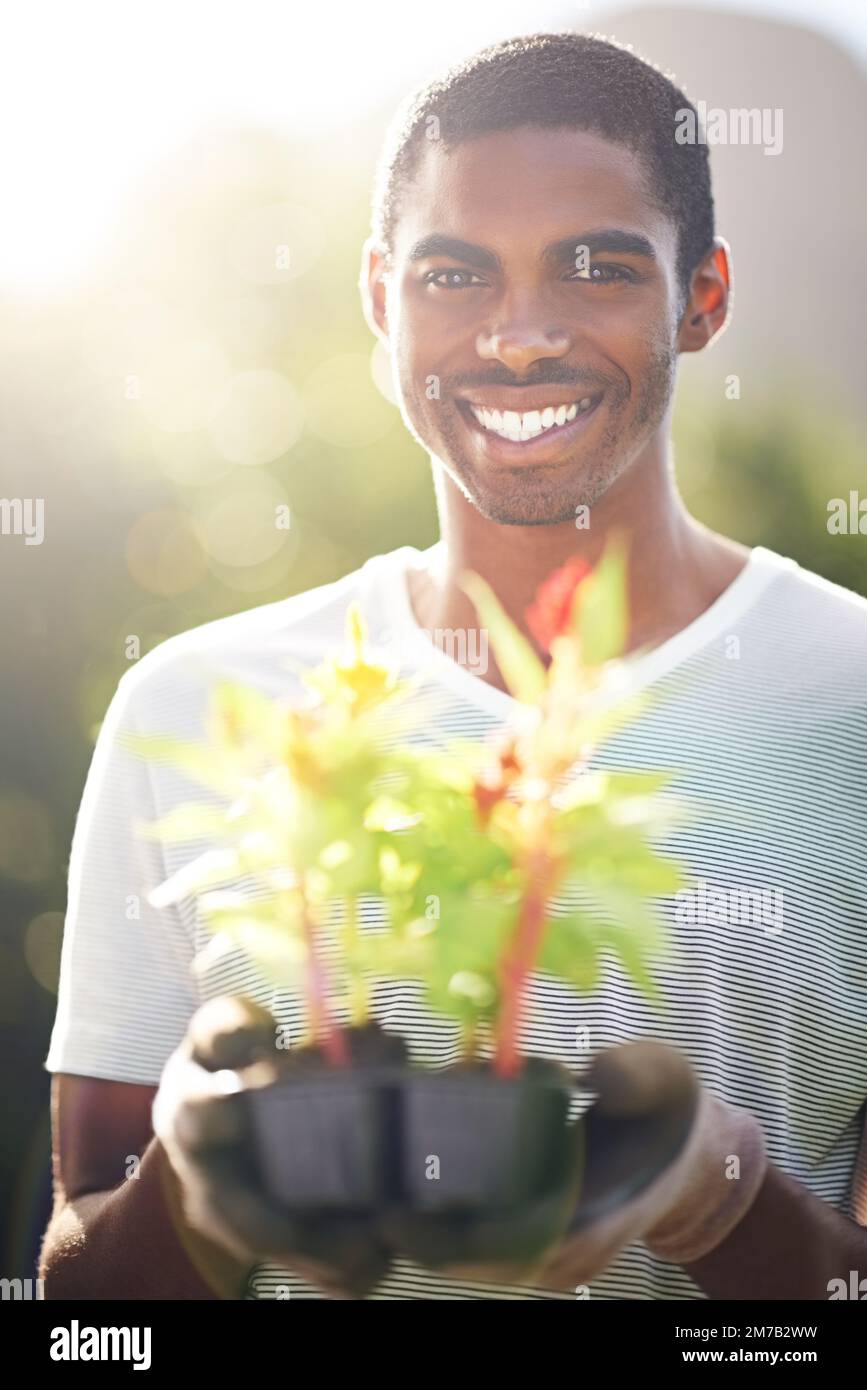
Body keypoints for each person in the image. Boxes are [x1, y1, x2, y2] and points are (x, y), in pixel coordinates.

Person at [40, 32, 867, 1301]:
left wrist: (718, 1196)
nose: (522, 336)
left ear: (701, 298)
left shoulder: (851, 700)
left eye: (597, 268)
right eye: (455, 274)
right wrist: (196, 1194)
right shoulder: (192, 706)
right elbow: (82, 1319)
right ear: (383, 300)